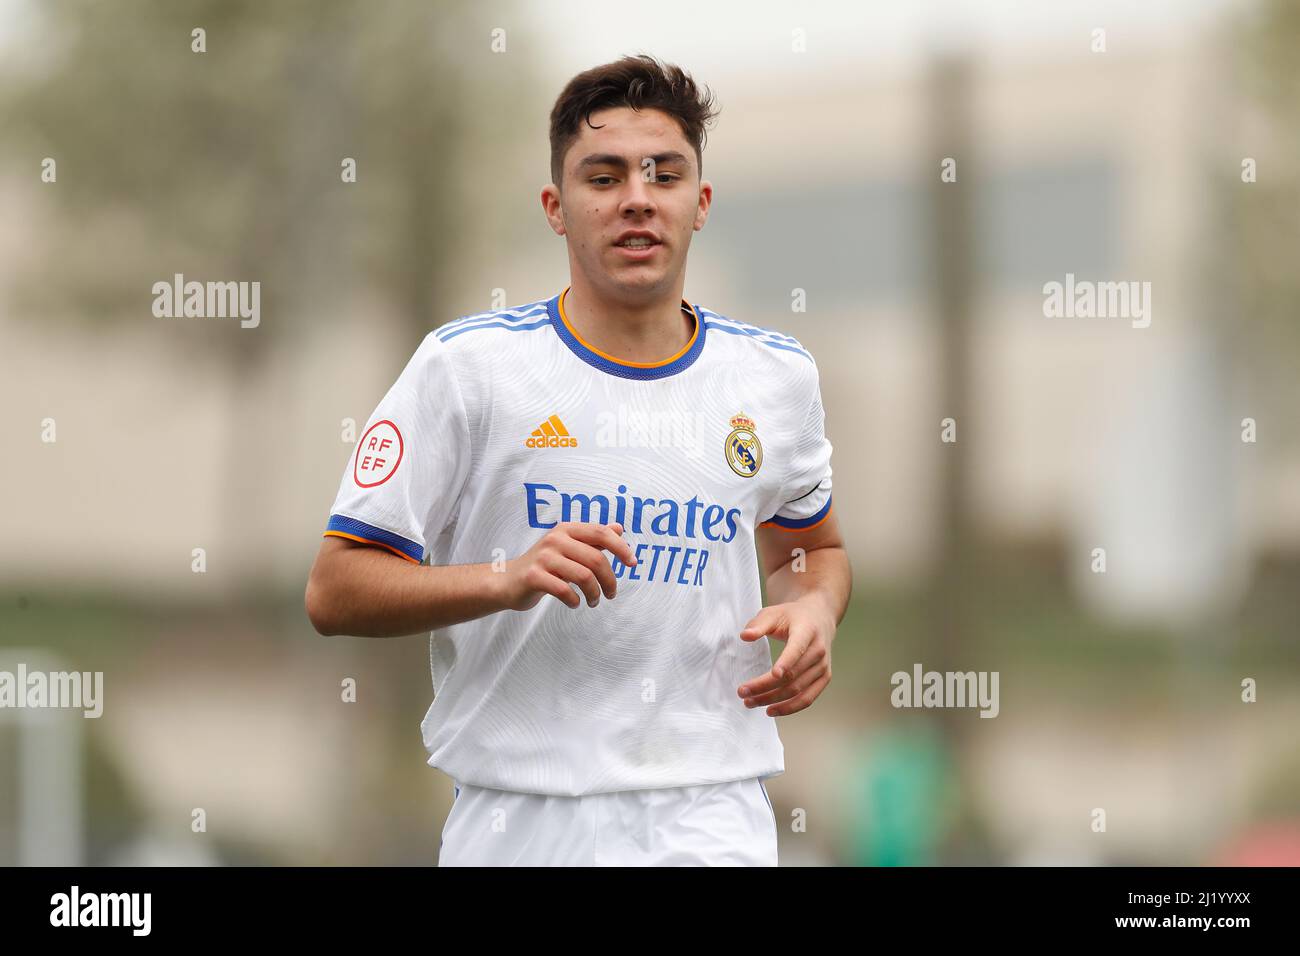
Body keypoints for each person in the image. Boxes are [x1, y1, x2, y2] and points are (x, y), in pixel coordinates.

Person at [305, 53, 851, 866]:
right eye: (604, 177)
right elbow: (336, 589)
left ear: (699, 204)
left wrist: (814, 612)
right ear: (556, 208)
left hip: (711, 814)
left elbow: (813, 551)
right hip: (522, 819)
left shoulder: (775, 377)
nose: (637, 197)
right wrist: (505, 577)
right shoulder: (470, 369)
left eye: (663, 174)